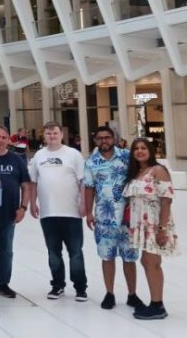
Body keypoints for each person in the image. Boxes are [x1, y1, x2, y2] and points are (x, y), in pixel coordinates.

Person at [83, 125, 142, 311]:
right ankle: (109, 293)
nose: (104, 141)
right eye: (100, 138)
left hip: (128, 217)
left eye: (107, 137)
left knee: (129, 257)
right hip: (104, 217)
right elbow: (89, 187)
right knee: (107, 257)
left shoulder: (126, 156)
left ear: (113, 138)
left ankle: (132, 294)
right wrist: (89, 212)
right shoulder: (91, 162)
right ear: (95, 141)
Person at [29, 121, 88, 302]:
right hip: (48, 213)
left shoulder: (73, 154)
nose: (51, 136)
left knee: (75, 252)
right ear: (44, 136)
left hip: (71, 213)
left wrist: (84, 203)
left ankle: (80, 287)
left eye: (54, 133)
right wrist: (33, 202)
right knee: (53, 253)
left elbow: (82, 182)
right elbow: (34, 182)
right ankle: (57, 285)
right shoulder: (39, 155)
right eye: (48, 133)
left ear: (61, 134)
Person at [123, 138, 180, 320]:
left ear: (150, 150)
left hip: (154, 225)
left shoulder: (158, 170)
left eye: (143, 148)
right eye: (136, 149)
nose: (139, 151)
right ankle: (155, 303)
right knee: (147, 262)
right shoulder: (137, 172)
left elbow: (166, 199)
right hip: (140, 224)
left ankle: (158, 305)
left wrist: (162, 228)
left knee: (151, 263)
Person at [0, 125, 31, 298]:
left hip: (9, 213)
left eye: (3, 137)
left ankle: (3, 283)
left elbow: (26, 185)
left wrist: (23, 207)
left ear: (9, 140)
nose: (0, 140)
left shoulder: (16, 159)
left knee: (7, 250)